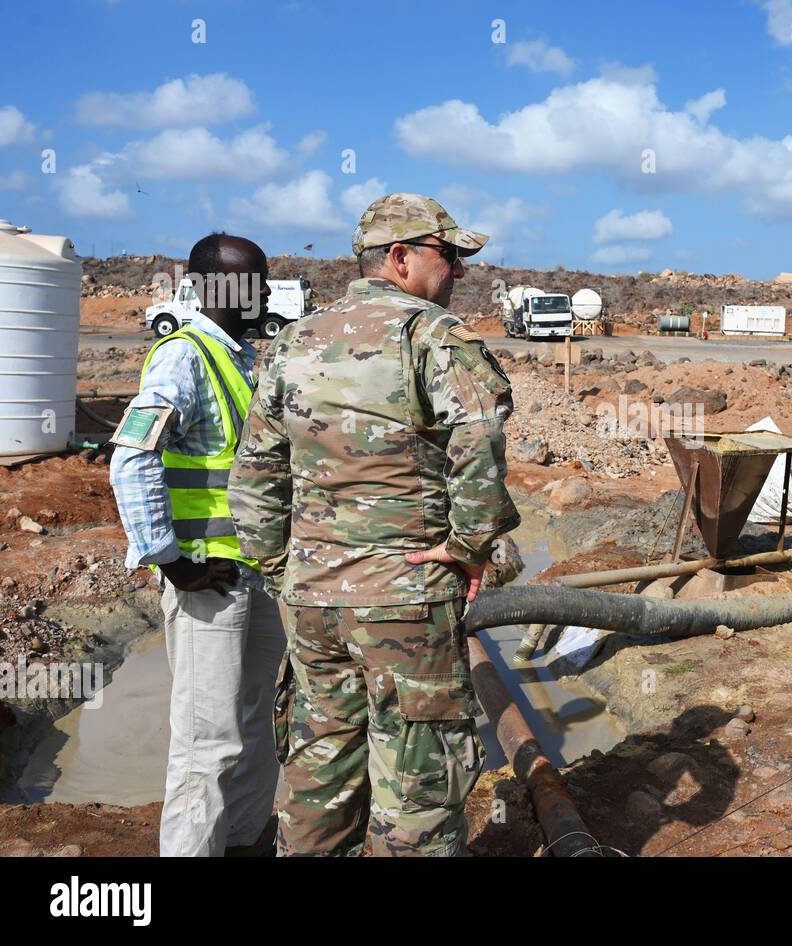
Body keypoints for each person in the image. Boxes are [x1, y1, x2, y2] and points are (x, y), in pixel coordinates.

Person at [229, 193, 520, 856]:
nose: (461, 274)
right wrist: (469, 547)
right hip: (406, 604)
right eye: (450, 257)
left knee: (317, 775)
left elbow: (254, 476)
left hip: (310, 603)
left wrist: (284, 571)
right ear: (401, 258)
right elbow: (477, 439)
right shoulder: (431, 336)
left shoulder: (293, 342)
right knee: (416, 789)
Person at [108, 233, 284, 857]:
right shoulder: (182, 357)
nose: (264, 291)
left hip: (252, 574)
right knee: (206, 743)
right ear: (214, 287)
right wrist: (169, 560)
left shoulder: (241, 358)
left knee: (254, 724)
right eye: (253, 280)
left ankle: (240, 843)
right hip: (207, 580)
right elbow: (132, 459)